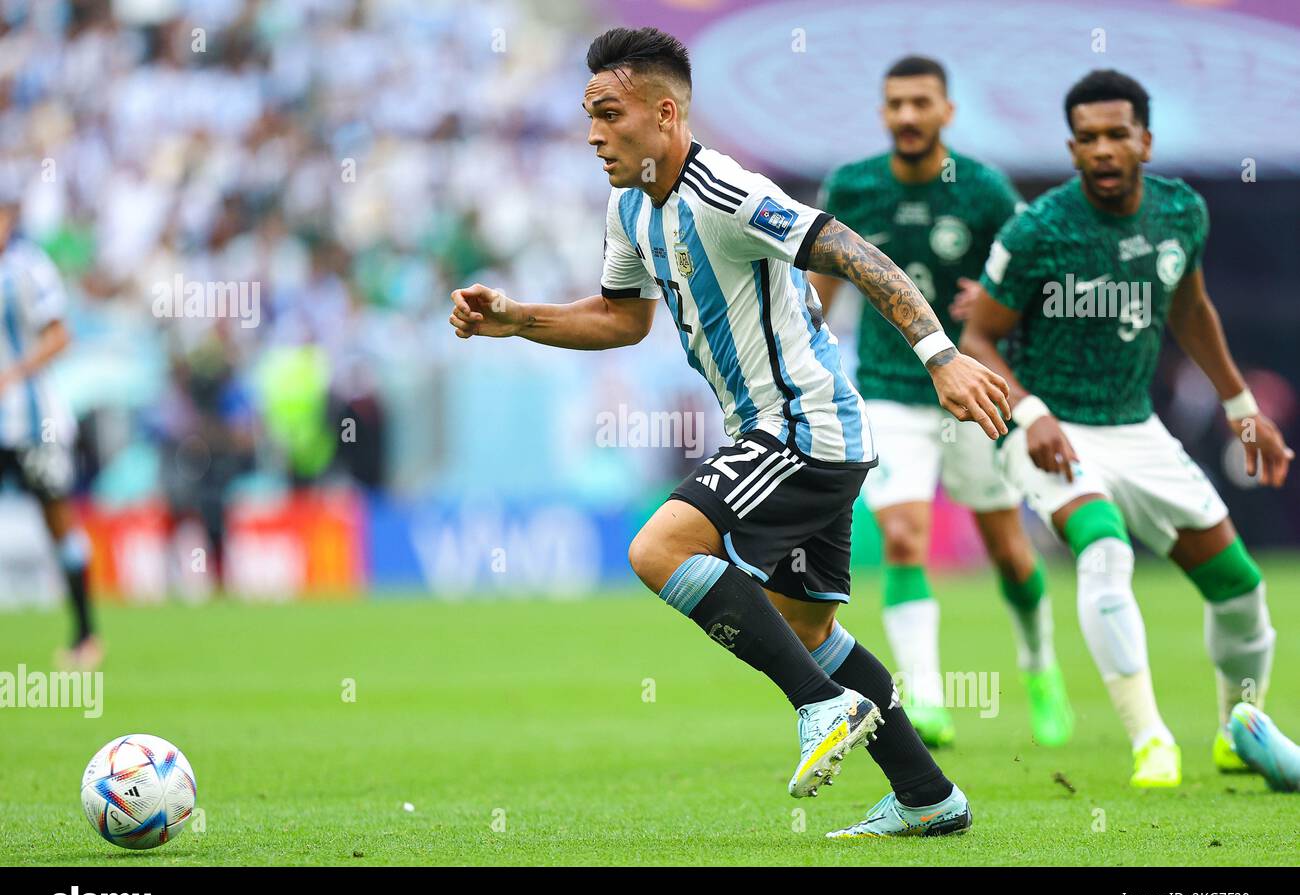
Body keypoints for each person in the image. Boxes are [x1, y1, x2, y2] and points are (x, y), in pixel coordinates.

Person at [450, 28, 1014, 836]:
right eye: (588, 116)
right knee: (807, 629)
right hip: (800, 432)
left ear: (666, 112)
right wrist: (519, 319)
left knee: (659, 550)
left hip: (799, 426)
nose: (592, 134)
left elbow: (849, 249)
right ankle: (929, 797)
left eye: (609, 114)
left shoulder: (728, 193)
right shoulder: (630, 207)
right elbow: (621, 319)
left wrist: (940, 356)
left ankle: (821, 710)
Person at [963, 69, 1298, 789]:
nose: (1105, 150)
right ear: (1072, 147)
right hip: (1046, 427)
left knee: (1240, 590)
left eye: (1118, 135)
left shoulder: (1181, 213)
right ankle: (1151, 741)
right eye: (1089, 139)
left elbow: (1191, 310)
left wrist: (1244, 411)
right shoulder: (1036, 230)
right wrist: (1029, 414)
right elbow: (978, 339)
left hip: (1136, 427)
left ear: (1145, 139)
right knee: (1105, 550)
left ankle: (1238, 732)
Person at [811, 55, 1070, 748]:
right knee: (902, 538)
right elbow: (816, 300)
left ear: (946, 111)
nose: (907, 116)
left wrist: (997, 307)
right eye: (895, 103)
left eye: (921, 103)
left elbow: (1032, 282)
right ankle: (922, 700)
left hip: (974, 390)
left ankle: (1039, 664)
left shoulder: (983, 191)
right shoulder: (854, 187)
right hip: (893, 391)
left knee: (1010, 552)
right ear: (882, 112)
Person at [0, 197, 101, 669]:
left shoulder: (28, 267)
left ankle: (85, 634)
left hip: (31, 418)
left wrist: (13, 373)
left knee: (56, 518)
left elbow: (61, 335)